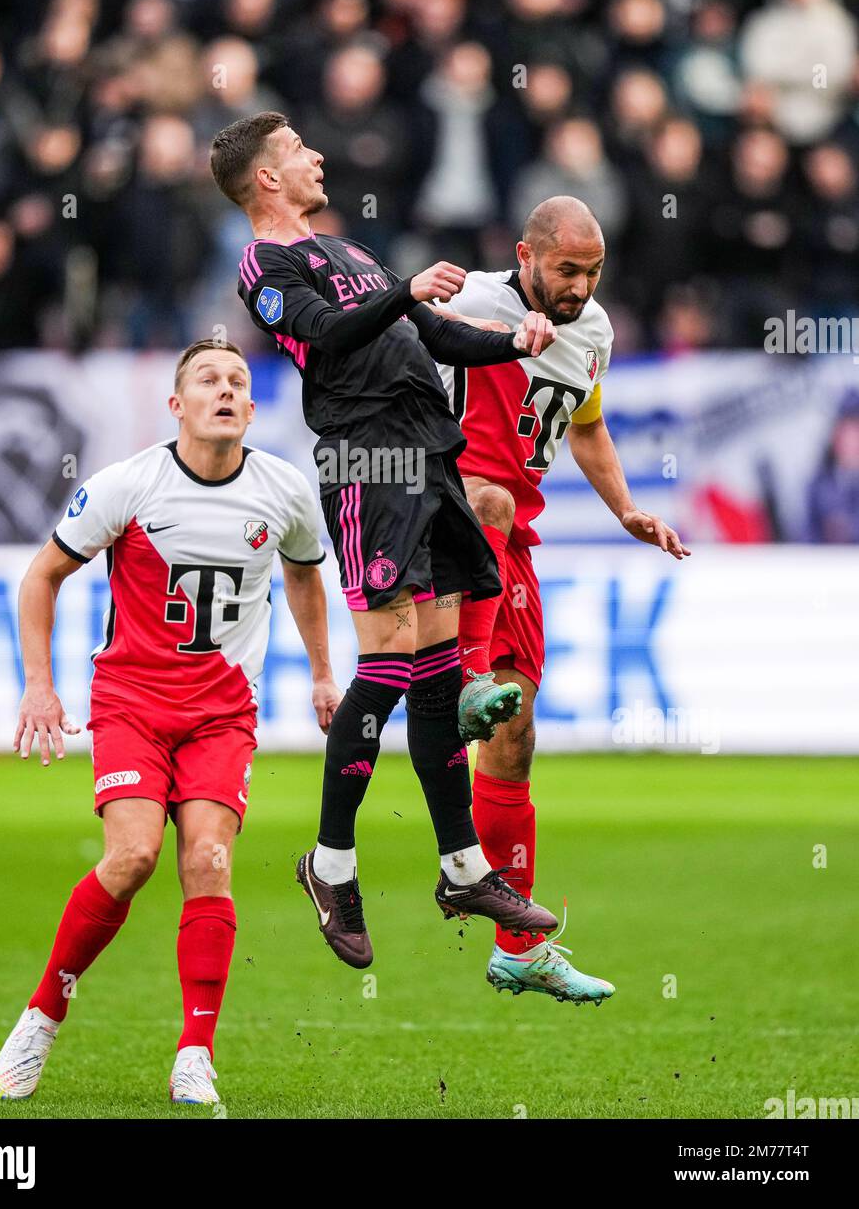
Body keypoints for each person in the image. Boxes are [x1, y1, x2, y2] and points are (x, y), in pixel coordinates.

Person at [210, 110, 560, 970]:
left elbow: (429, 334)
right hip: (370, 455)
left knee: (436, 665)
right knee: (392, 660)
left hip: (429, 450)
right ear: (263, 178)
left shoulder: (351, 251)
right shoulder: (267, 262)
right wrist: (403, 290)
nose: (316, 154)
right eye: (296, 149)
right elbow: (326, 338)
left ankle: (462, 867)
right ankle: (330, 867)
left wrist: (508, 341)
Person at [0, 339, 340, 1105]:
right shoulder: (128, 485)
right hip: (132, 704)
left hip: (222, 714)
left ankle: (194, 1051)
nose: (225, 389)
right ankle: (44, 1012)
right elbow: (41, 576)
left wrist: (321, 673)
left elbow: (306, 577)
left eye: (238, 382)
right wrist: (39, 687)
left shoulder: (283, 490)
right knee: (134, 857)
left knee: (208, 861)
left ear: (252, 408)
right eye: (207, 380)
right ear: (176, 406)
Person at [434, 195, 689, 1003]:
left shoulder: (595, 333)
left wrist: (626, 510)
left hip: (512, 544)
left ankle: (519, 947)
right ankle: (462, 673)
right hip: (445, 515)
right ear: (525, 256)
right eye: (567, 269)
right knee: (492, 501)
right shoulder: (471, 302)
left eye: (593, 271)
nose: (580, 286)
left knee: (513, 738)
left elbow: (584, 427)